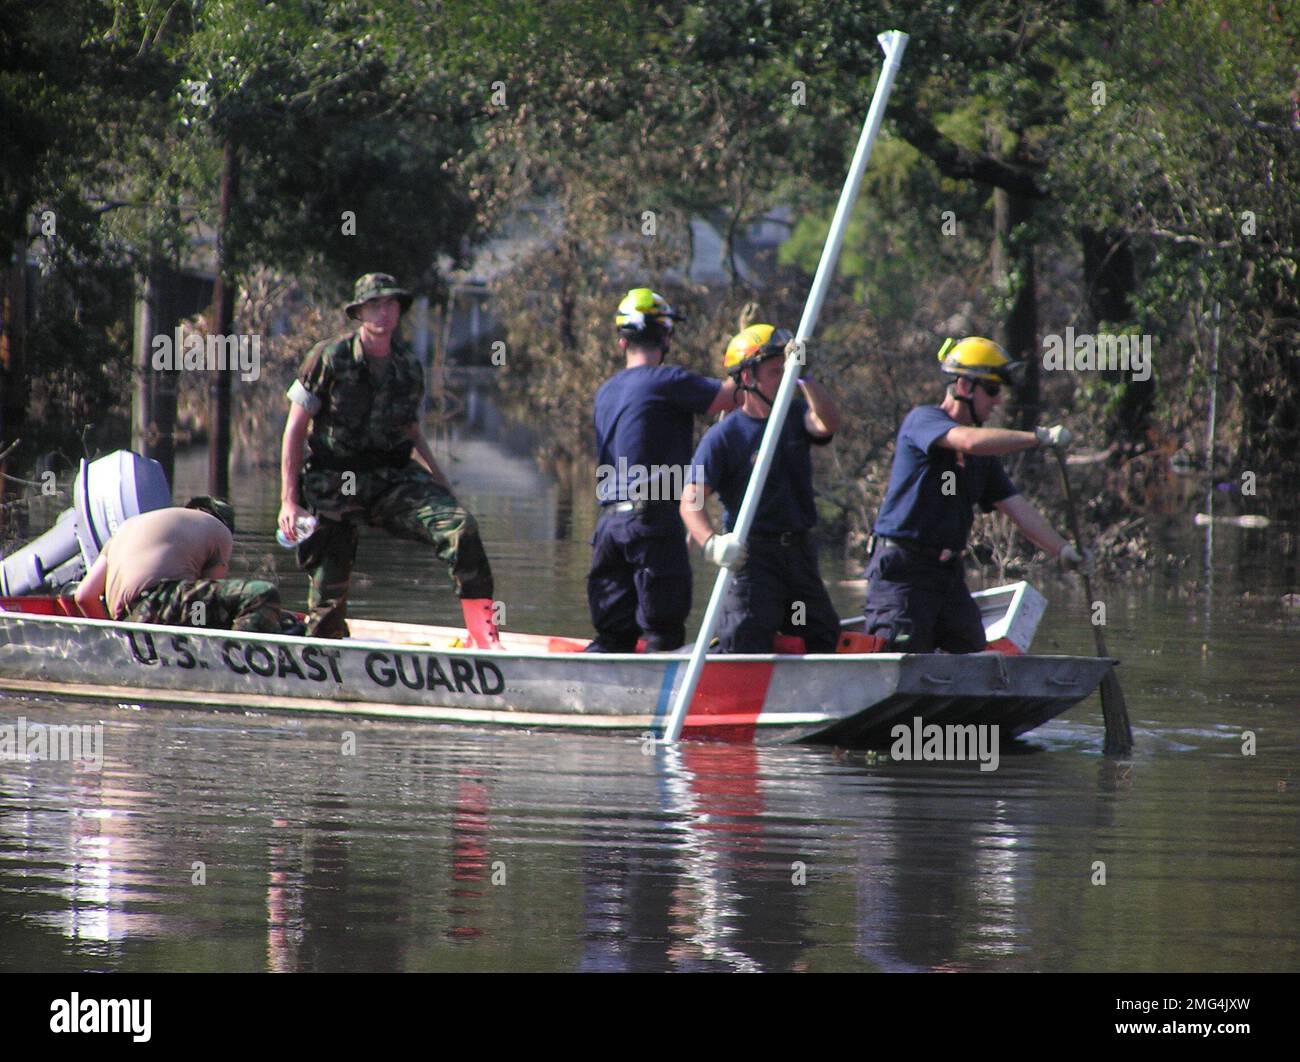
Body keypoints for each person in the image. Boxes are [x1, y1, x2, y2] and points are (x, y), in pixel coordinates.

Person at [277, 272, 501, 646]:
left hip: (392, 479)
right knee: (327, 618)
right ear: (360, 312)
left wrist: (442, 485)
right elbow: (295, 429)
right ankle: (323, 641)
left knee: (461, 527)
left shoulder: (408, 368)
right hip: (333, 484)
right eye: (375, 305)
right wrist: (289, 500)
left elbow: (412, 432)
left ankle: (484, 636)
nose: (384, 312)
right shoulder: (328, 357)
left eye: (391, 304)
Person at [861, 336, 1089, 653]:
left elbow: (1018, 509)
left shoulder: (983, 458)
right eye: (992, 390)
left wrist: (1063, 550)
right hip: (903, 573)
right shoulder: (924, 420)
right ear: (965, 387)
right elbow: (967, 440)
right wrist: (1038, 437)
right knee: (900, 654)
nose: (998, 401)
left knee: (971, 653)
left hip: (946, 577)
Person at [585, 288, 736, 652]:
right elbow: (732, 398)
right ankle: (661, 696)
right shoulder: (668, 381)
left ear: (622, 341)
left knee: (612, 634)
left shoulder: (605, 391)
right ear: (666, 336)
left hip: (609, 527)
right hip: (650, 524)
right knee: (662, 631)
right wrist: (751, 360)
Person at [680, 324, 842, 654]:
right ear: (748, 379)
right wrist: (712, 544)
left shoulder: (797, 416)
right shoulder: (725, 437)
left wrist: (804, 377)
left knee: (820, 634)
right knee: (746, 637)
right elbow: (690, 501)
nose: (783, 378)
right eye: (775, 372)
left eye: (787, 370)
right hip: (753, 561)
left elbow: (828, 422)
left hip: (797, 556)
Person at [74, 497, 281, 631]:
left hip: (128, 619)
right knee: (262, 594)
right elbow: (206, 601)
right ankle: (236, 665)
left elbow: (84, 595)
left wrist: (112, 638)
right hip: (163, 602)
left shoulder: (126, 528)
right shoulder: (219, 529)